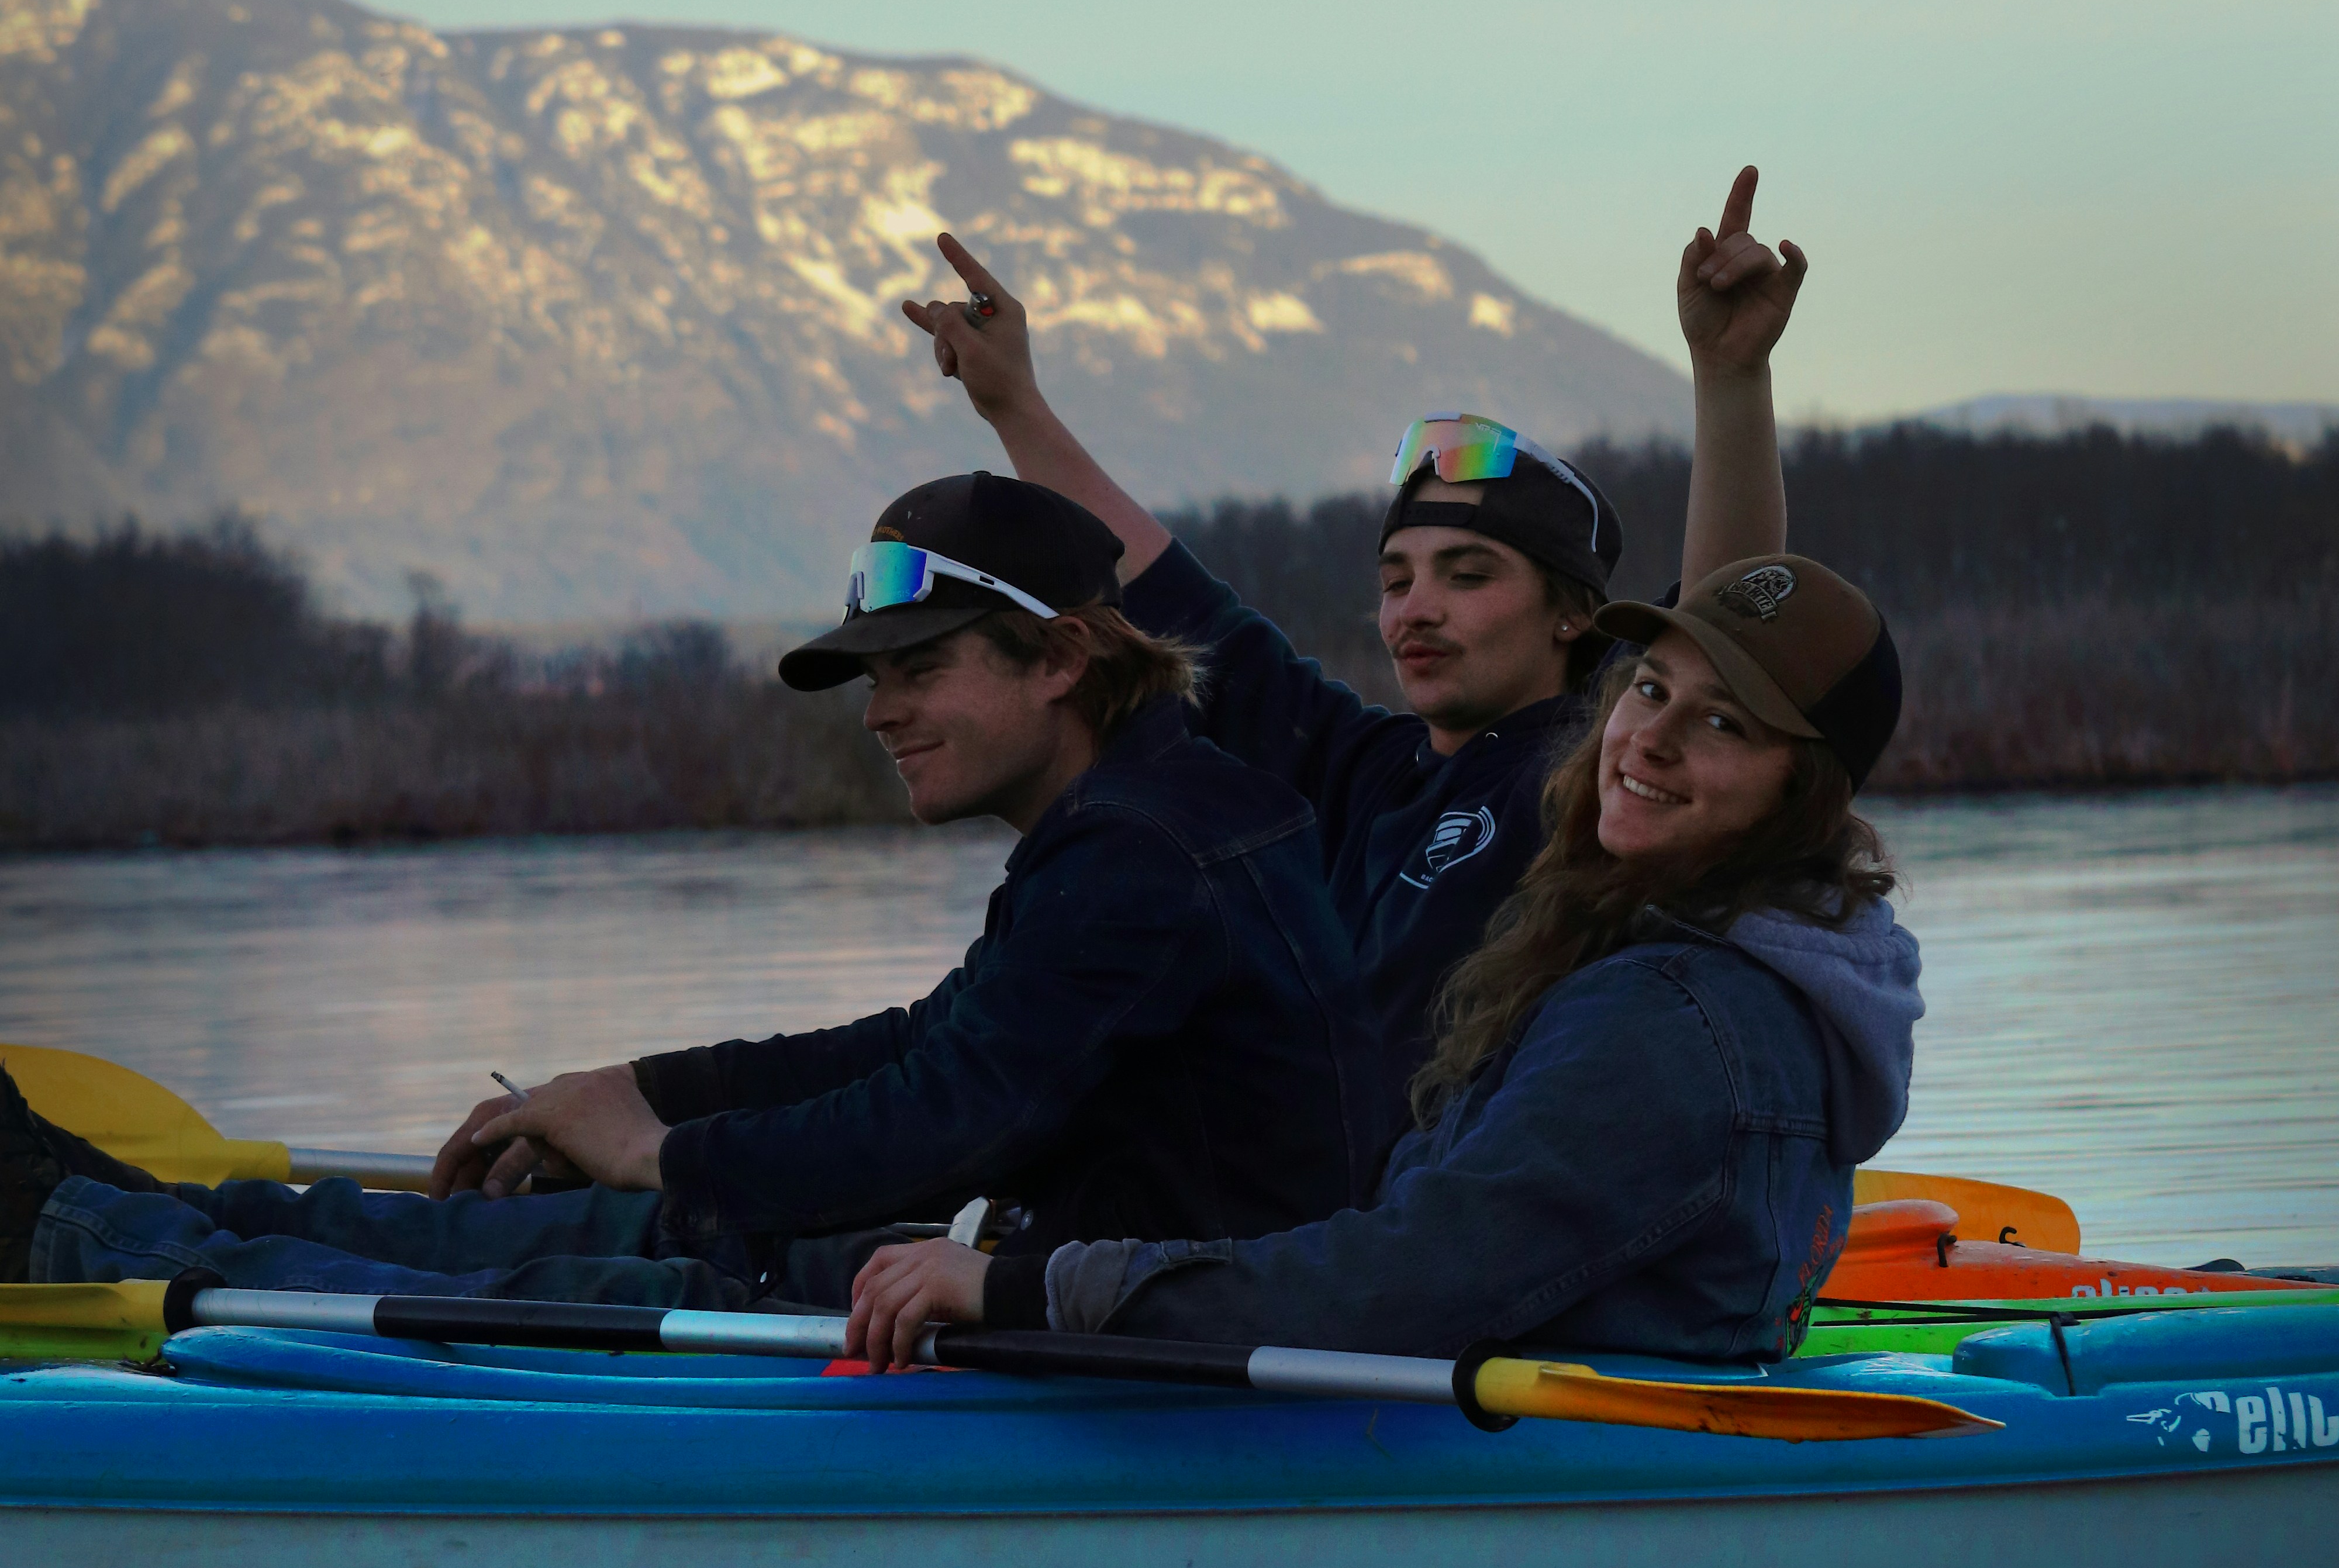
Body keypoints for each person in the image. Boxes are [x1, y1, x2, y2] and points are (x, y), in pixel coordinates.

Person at [0, 477, 1380, 1311]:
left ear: (1062, 657)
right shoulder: (1153, 814)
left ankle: (60, 1229)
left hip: (1111, 1346)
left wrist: (662, 1154)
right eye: (871, 679)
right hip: (1008, 1276)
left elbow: (935, 1125)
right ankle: (88, 1196)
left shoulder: (1146, 854)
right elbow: (927, 1047)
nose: (878, 712)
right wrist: (641, 1096)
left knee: (545, 1286)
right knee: (512, 1222)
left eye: (917, 670)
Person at [846, 552, 1920, 1369]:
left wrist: (1029, 1293)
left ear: (1804, 791)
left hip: (1518, 1478)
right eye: (1649, 690)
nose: (1650, 741)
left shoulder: (1669, 1020)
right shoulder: (1696, 953)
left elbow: (1398, 1291)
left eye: (1723, 723)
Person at [903, 167, 1806, 1103]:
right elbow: (1173, 598)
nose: (1416, 607)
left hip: (1485, 1224)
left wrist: (1731, 376)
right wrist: (1016, 407)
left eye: (1468, 575)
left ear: (1572, 611)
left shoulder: (1600, 766)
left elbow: (1719, 619)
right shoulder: (1360, 775)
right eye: (1395, 579)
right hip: (1343, 1232)